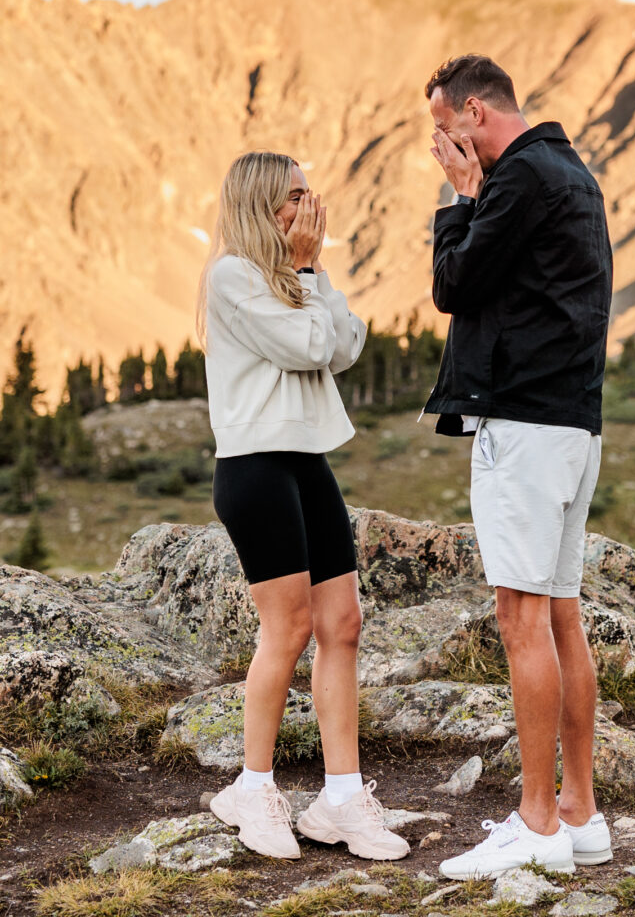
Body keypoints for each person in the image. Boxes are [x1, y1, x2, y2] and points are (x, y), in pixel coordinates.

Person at [421, 55, 613, 879]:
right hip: (572, 425)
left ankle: (536, 825)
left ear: (474, 112)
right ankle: (580, 813)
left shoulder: (518, 179)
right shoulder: (570, 171)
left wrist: (463, 199)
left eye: (442, 126)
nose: (440, 143)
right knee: (561, 613)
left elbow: (454, 284)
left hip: (526, 427)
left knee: (521, 616)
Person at [196, 151, 409, 863]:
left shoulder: (295, 274)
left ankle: (341, 798)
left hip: (306, 461)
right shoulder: (233, 276)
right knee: (285, 629)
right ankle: (252, 788)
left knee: (342, 625)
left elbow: (344, 346)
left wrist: (310, 272)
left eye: (308, 192)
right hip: (255, 467)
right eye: (294, 195)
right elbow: (312, 342)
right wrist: (309, 272)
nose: (307, 205)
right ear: (262, 203)